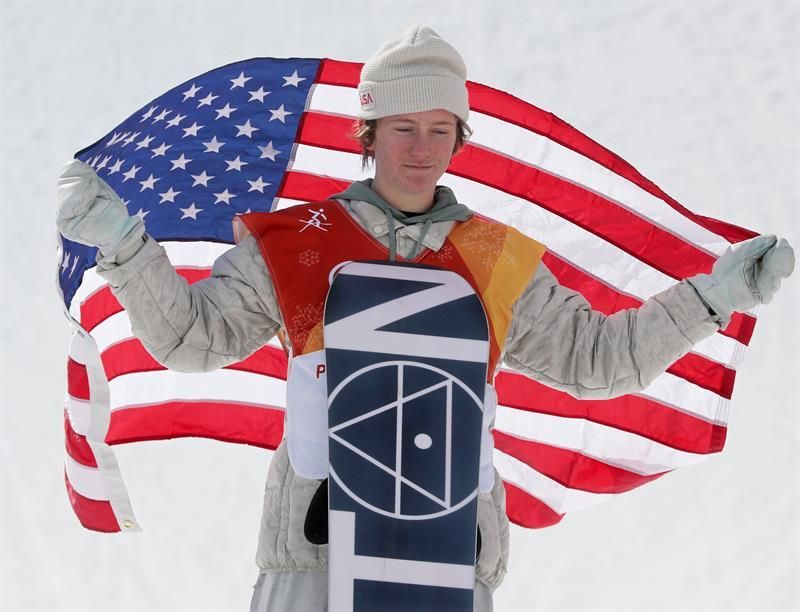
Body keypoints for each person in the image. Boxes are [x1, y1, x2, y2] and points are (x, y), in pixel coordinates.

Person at [56, 25, 794, 612]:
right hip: (315, 558)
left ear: (459, 138)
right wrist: (126, 247)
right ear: (368, 133)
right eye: (403, 127)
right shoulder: (302, 243)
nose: (422, 149)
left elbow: (598, 362)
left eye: (440, 128)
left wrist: (712, 297)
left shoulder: (495, 259)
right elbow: (193, 339)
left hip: (448, 557)